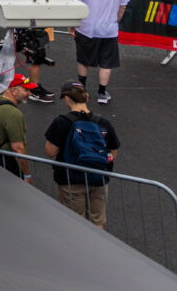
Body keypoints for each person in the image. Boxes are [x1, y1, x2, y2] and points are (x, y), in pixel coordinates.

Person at [44, 81, 120, 228]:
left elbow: (50, 152)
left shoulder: (61, 122)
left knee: (75, 224)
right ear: (87, 98)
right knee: (97, 223)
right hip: (98, 178)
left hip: (70, 180)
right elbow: (113, 153)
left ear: (67, 99)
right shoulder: (103, 122)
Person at [69, 0, 128, 105]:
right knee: (106, 63)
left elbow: (73, 6)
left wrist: (72, 25)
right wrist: (115, 21)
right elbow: (122, 6)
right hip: (109, 31)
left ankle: (81, 90)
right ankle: (102, 93)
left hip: (87, 30)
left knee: (84, 60)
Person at [0, 74, 37, 179]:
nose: (29, 94)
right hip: (6, 166)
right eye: (26, 90)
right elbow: (18, 148)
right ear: (14, 91)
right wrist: (27, 175)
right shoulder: (13, 113)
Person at [16, 0, 58, 101]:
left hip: (39, 33)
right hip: (35, 34)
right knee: (36, 62)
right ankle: (33, 90)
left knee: (37, 62)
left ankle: (33, 86)